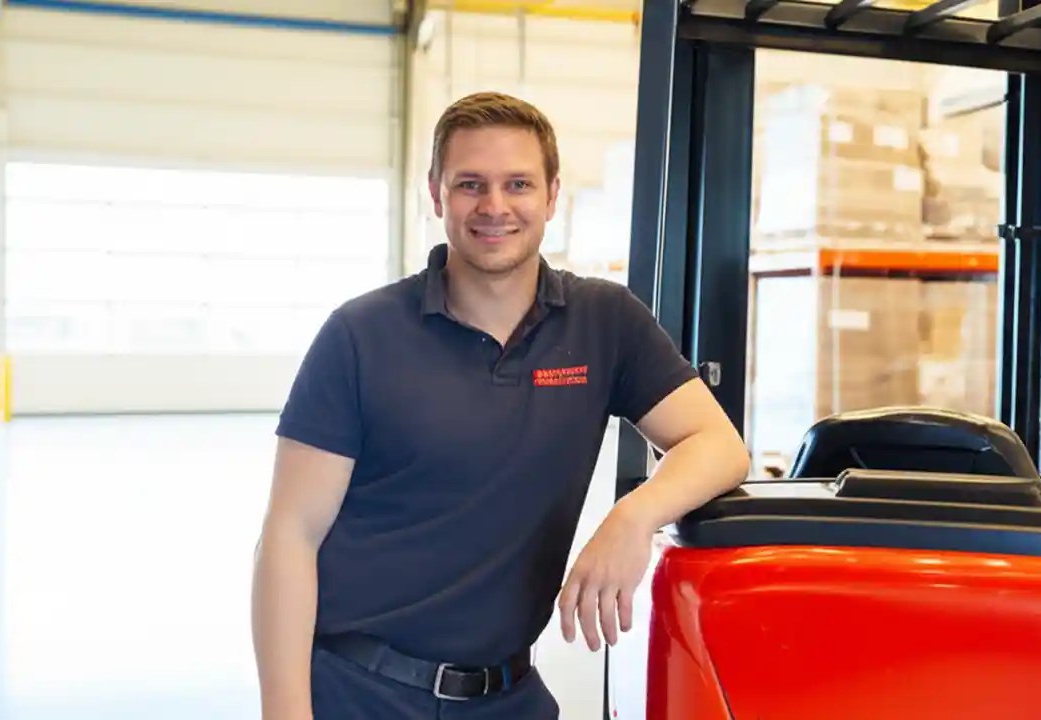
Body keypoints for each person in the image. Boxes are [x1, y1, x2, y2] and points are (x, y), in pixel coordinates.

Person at [251, 91, 750, 719]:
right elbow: (290, 536)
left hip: (507, 695)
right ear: (436, 194)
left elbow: (718, 444)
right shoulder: (360, 335)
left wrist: (632, 517)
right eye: (470, 185)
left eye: (518, 183)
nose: (494, 207)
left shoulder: (604, 322)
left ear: (552, 195)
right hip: (361, 691)